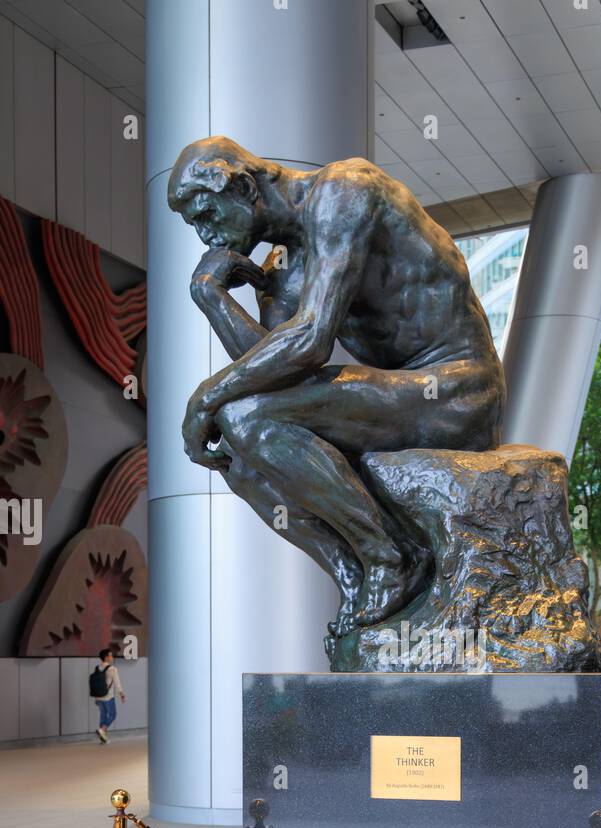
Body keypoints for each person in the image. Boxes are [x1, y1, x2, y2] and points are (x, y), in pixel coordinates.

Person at [167, 137, 506, 637]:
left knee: (239, 415)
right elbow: (272, 369)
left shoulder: (344, 192)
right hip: (399, 394)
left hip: (456, 390)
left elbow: (309, 344)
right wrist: (210, 296)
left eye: (205, 214)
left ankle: (391, 556)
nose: (204, 235)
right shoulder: (284, 264)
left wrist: (205, 396)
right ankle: (352, 570)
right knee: (236, 445)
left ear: (240, 185)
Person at [90, 647, 126, 744]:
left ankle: (103, 737)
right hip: (108, 696)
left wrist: (96, 698)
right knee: (112, 714)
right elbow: (117, 682)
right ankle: (102, 730)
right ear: (106, 657)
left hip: (98, 696)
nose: (112, 657)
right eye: (110, 655)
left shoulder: (97, 668)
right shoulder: (112, 669)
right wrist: (121, 694)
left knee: (103, 715)